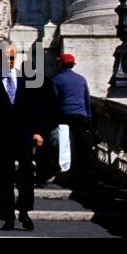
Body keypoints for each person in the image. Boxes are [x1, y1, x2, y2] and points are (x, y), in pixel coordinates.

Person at [0, 43, 53, 231]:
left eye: (11, 58)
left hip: (24, 135)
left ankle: (25, 212)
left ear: (15, 58)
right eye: (5, 59)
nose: (9, 62)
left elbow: (36, 108)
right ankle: (8, 216)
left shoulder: (27, 79)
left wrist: (38, 131)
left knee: (27, 175)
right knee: (4, 177)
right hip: (2, 137)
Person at [50, 53, 92, 186]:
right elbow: (87, 99)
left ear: (60, 64)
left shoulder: (56, 79)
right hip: (80, 114)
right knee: (80, 143)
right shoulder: (81, 79)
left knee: (64, 143)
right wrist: (88, 115)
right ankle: (82, 170)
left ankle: (64, 170)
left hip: (64, 114)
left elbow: (54, 99)